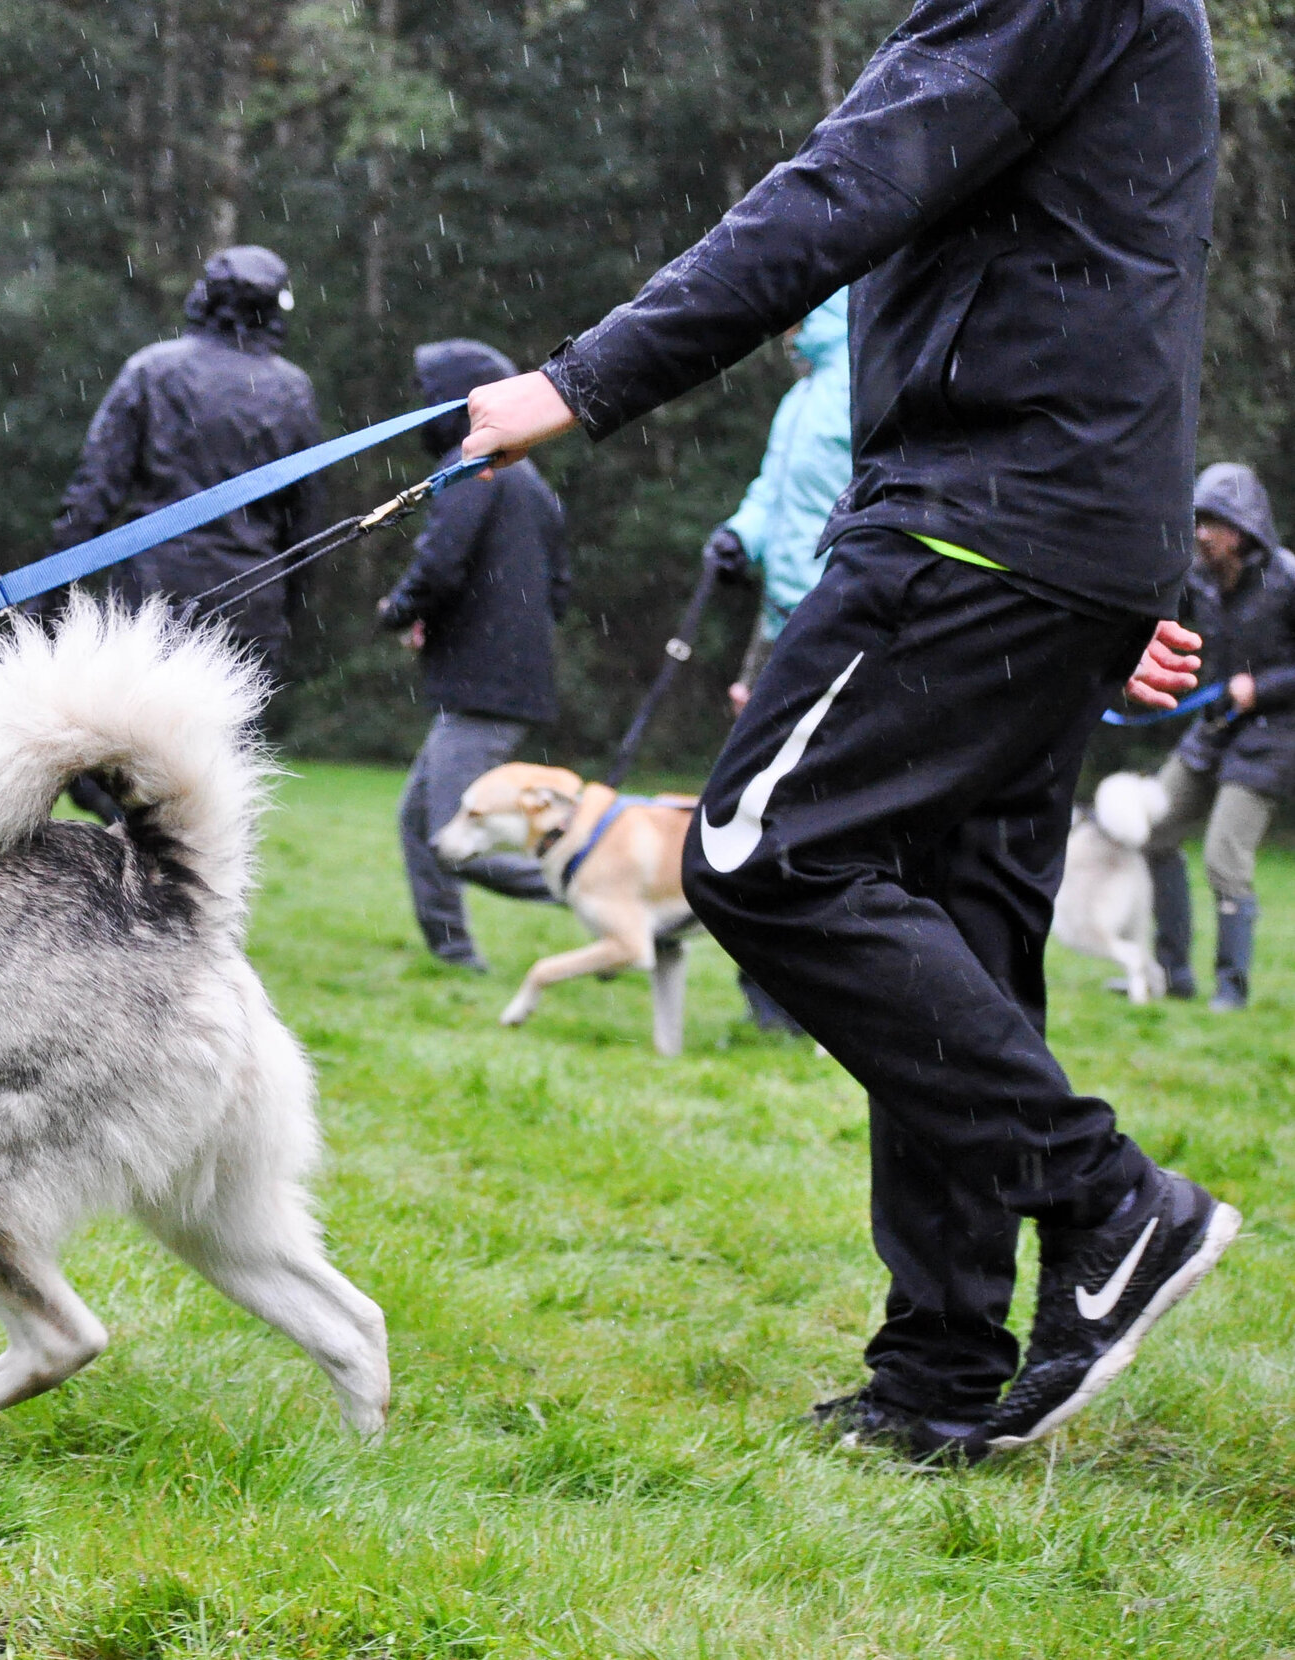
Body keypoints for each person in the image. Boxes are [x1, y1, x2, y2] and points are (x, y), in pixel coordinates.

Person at [454, 0, 1237, 1464]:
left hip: (981, 515)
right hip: (1056, 525)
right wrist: (1119, 570)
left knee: (757, 858)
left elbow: (849, 180)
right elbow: (1104, 265)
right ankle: (940, 1368)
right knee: (966, 935)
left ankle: (1109, 1202)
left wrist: (585, 376)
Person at [50, 247, 328, 682]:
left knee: (130, 735)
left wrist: (48, 594)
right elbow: (305, 519)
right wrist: (288, 604)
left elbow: (92, 495)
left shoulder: (151, 371)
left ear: (204, 297)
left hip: (152, 596)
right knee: (223, 745)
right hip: (248, 598)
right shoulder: (292, 390)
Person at [376, 340, 567, 969]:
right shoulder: (532, 482)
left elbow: (440, 565)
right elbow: (558, 590)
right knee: (417, 822)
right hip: (502, 681)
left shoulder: (475, 468)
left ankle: (611, 885)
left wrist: (398, 612)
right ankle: (456, 959)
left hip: (485, 687)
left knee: (454, 840)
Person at [700, 287, 852, 1033]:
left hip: (839, 624)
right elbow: (774, 493)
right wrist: (741, 533)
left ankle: (806, 993)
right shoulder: (803, 398)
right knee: (750, 805)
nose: (784, 328)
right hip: (779, 621)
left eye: (795, 312)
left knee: (801, 807)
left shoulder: (870, 378)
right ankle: (769, 990)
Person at [1140, 464, 1295, 1011]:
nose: (1203, 532)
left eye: (1216, 521)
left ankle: (1231, 989)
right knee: (1153, 831)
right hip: (1211, 729)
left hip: (1273, 738)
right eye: (1198, 520)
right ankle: (1173, 973)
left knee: (1224, 858)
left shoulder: (1287, 578)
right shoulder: (1197, 580)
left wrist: (1265, 687)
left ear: (1246, 527)